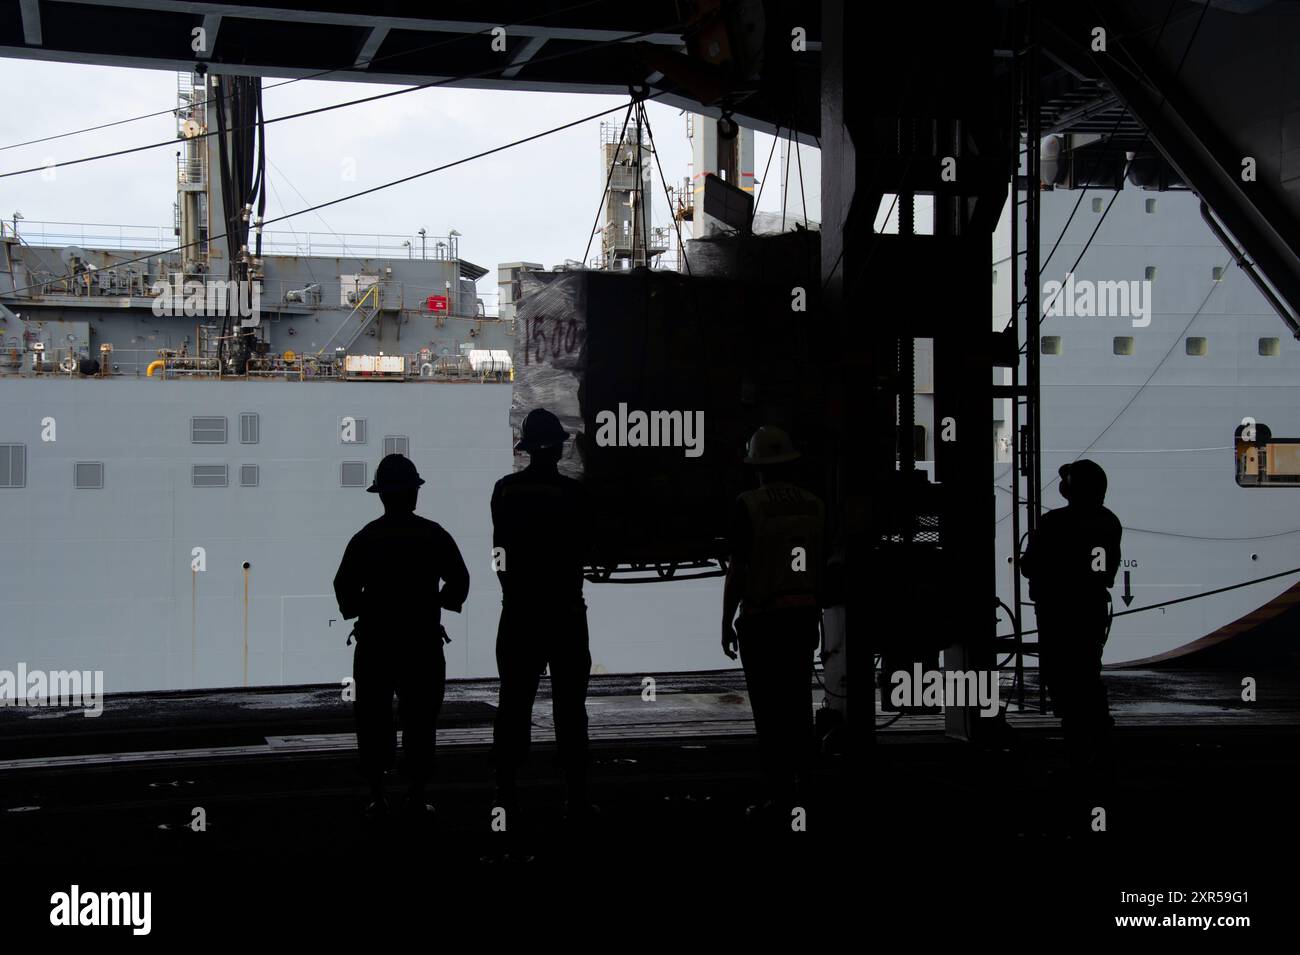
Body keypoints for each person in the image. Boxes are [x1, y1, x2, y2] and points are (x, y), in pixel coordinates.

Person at [333, 453, 470, 818]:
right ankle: (416, 794)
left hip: (376, 643)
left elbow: (343, 585)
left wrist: (366, 609)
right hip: (421, 643)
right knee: (421, 719)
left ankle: (378, 796)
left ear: (381, 495)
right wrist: (437, 603)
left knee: (373, 719)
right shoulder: (432, 535)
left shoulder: (366, 538)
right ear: (413, 494)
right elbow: (460, 579)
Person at [490, 408, 596, 821]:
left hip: (519, 612)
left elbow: (499, 553)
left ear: (528, 449)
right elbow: (587, 548)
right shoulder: (576, 495)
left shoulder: (504, 491)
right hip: (566, 612)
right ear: (558, 449)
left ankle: (506, 794)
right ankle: (576, 797)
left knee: (513, 703)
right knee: (571, 707)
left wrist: (512, 593)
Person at [721, 425, 825, 820]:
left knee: (769, 714)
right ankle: (807, 790)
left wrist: (725, 621)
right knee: (799, 707)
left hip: (763, 621)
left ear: (757, 467)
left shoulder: (750, 505)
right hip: (801, 620)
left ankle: (779, 797)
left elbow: (738, 571)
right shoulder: (815, 505)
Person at [1021, 459, 1122, 767]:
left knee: (1063, 677)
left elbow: (1029, 566)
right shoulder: (1108, 522)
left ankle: (1078, 744)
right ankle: (1096, 741)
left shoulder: (1054, 522)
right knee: (1087, 673)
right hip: (1089, 609)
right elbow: (1104, 573)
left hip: (1056, 612)